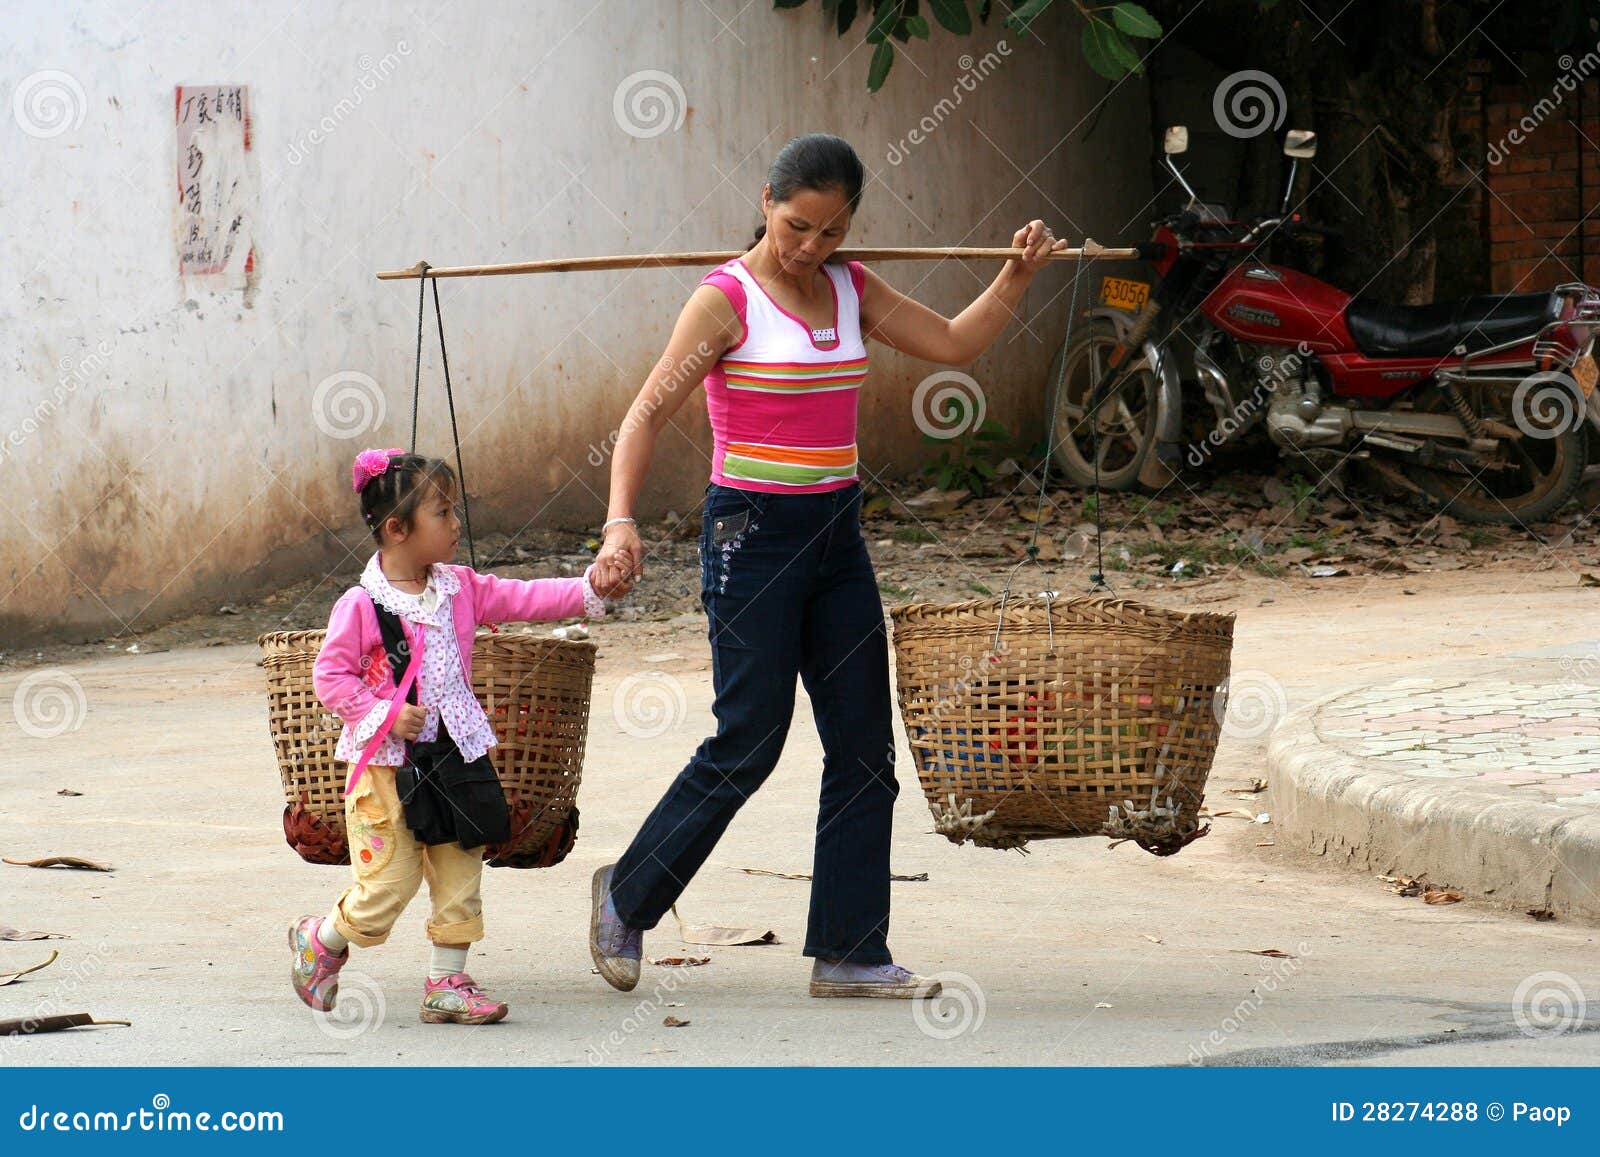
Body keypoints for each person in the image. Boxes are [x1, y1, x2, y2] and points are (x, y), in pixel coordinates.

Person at [587, 132, 1069, 998]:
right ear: (767, 200)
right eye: (796, 225)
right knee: (750, 740)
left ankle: (850, 949)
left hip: (836, 536)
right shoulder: (724, 301)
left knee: (864, 747)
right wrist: (620, 521)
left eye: (830, 231)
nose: (810, 247)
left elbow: (955, 342)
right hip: (752, 537)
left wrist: (1018, 275)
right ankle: (626, 895)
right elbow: (646, 414)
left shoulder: (852, 288)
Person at [290, 448, 632, 1024]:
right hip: (385, 770)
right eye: (443, 514)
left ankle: (448, 979)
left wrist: (590, 588)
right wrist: (382, 714)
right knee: (385, 889)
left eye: (454, 511)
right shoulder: (363, 606)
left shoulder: (460, 588)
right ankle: (322, 938)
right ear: (397, 530)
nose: (456, 525)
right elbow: (331, 677)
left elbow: (525, 599)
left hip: (456, 760)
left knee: (460, 871)